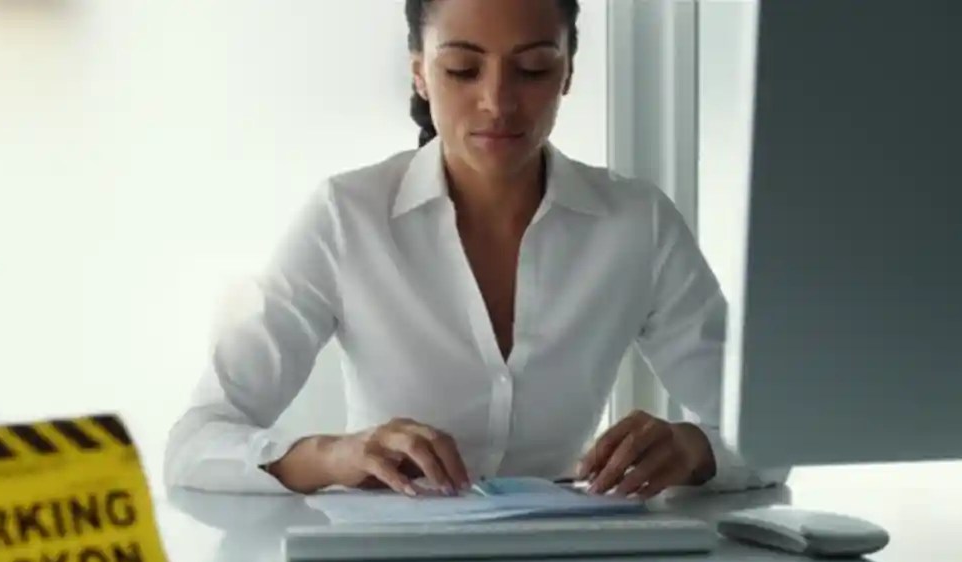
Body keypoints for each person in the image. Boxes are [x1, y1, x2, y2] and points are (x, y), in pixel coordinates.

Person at [165, 0, 783, 498]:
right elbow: (195, 443)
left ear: (568, 72)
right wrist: (334, 455)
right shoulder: (345, 216)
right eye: (463, 69)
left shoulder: (637, 224)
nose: (498, 101)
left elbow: (775, 438)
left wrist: (695, 449)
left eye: (533, 69)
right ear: (419, 72)